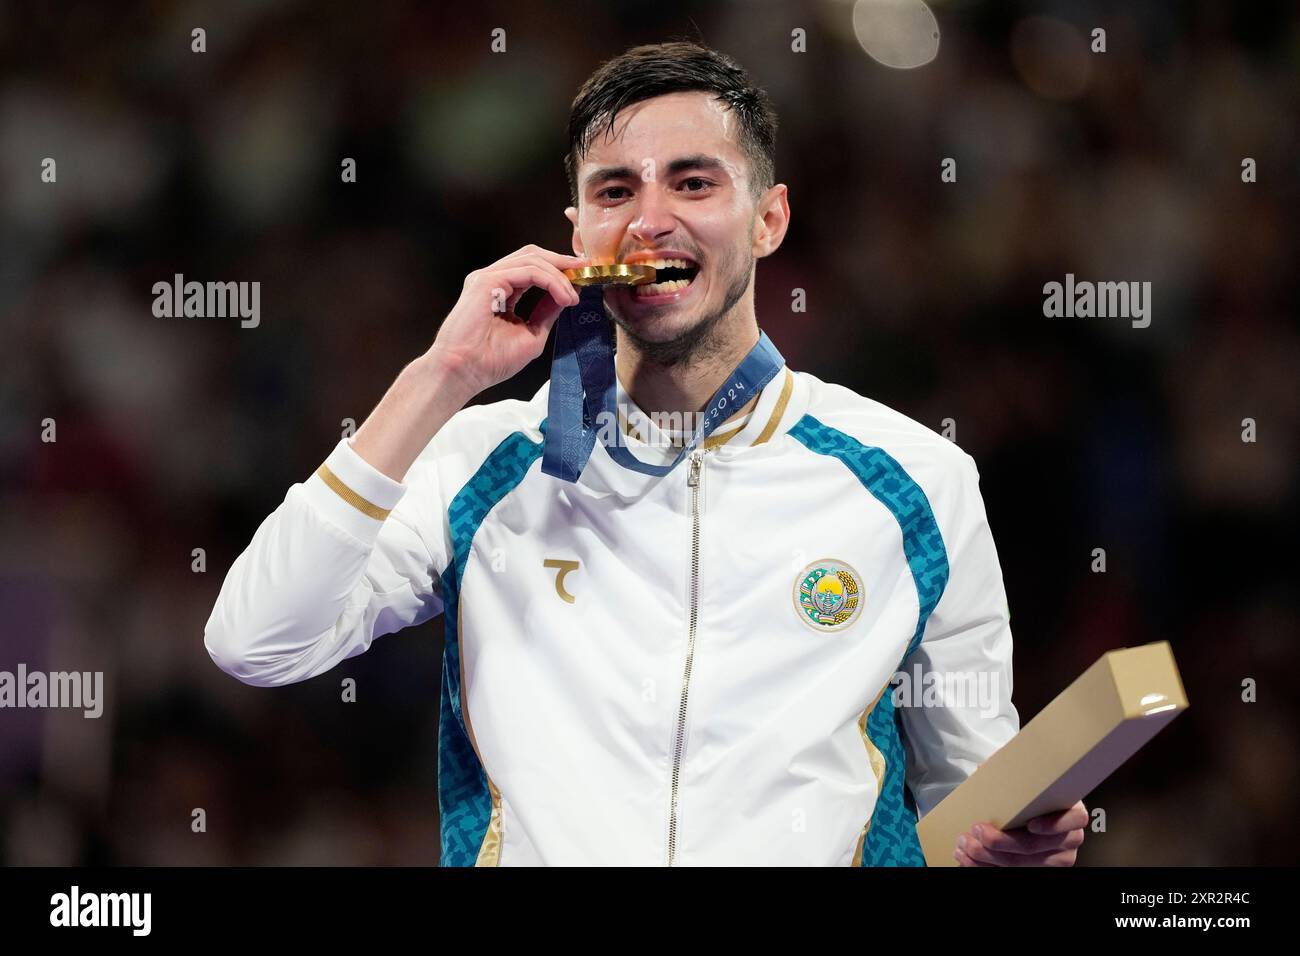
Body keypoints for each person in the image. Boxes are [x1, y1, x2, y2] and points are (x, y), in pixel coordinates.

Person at [204, 40, 1086, 866]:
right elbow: (256, 641)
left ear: (769, 219)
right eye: (615, 191)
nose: (651, 220)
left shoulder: (916, 479)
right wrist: (440, 377)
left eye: (695, 184)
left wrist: (1017, 837)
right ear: (577, 233)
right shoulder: (482, 462)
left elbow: (967, 797)